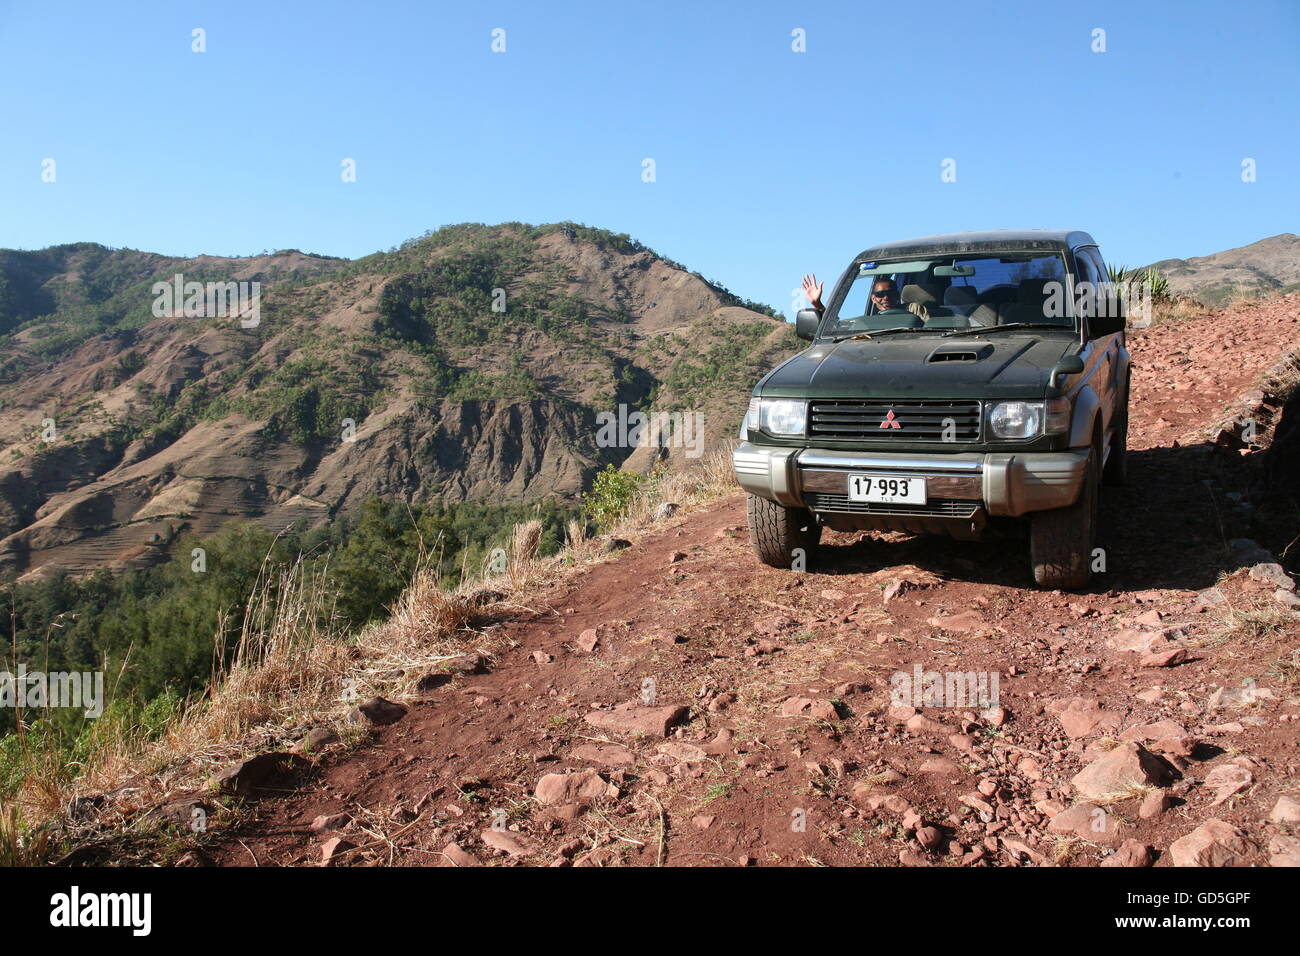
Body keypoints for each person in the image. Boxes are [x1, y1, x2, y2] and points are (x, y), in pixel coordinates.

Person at [802, 273, 924, 319]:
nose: (886, 298)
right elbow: (837, 328)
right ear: (873, 298)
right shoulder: (864, 323)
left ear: (897, 295)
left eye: (890, 293)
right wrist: (818, 305)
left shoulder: (913, 309)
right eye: (880, 294)